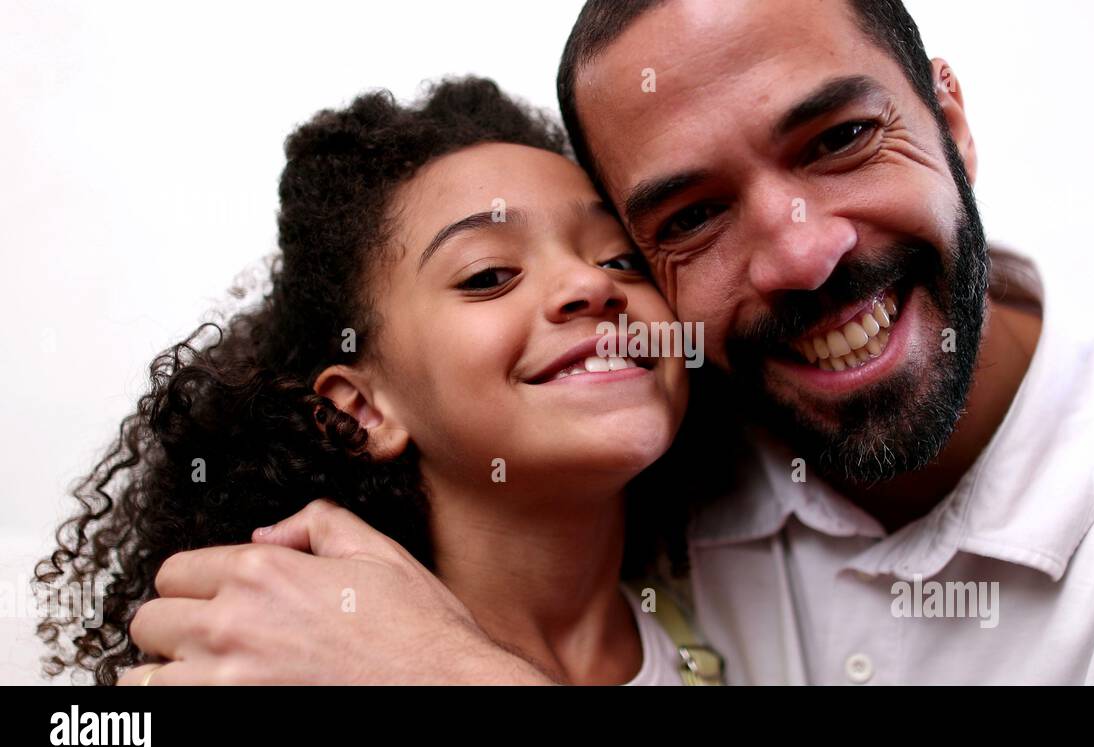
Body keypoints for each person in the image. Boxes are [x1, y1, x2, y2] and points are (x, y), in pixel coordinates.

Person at [114, 0, 1094, 686]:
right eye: (683, 220)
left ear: (948, 119)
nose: (795, 255)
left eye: (837, 138)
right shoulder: (665, 476)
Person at [36, 76, 717, 686]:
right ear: (363, 408)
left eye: (622, 258)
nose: (591, 282)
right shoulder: (269, 670)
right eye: (488, 275)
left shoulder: (736, 621)